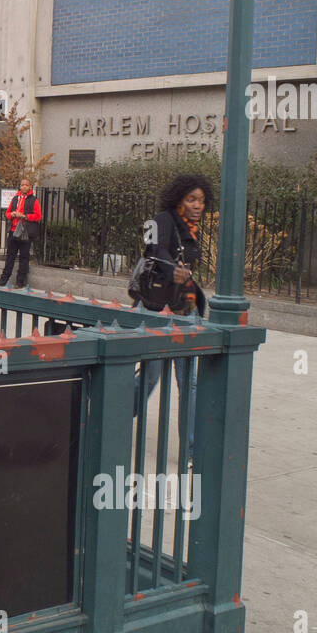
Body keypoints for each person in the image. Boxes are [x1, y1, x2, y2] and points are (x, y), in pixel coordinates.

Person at [132, 174, 214, 444]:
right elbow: (152, 250)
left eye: (201, 200)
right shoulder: (157, 220)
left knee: (188, 381)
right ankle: (114, 417)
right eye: (191, 199)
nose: (197, 205)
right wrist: (174, 269)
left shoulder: (191, 229)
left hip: (184, 309)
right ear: (178, 199)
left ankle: (191, 447)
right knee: (149, 377)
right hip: (156, 308)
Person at [0, 178, 42, 288]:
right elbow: (7, 213)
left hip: (25, 232)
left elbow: (38, 216)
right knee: (10, 256)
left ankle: (20, 282)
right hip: (13, 231)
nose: (24, 187)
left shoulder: (34, 200)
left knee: (24, 257)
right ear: (20, 187)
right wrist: (12, 214)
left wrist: (25, 216)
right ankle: (3, 279)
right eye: (22, 185)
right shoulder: (15, 198)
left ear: (30, 187)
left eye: (26, 185)